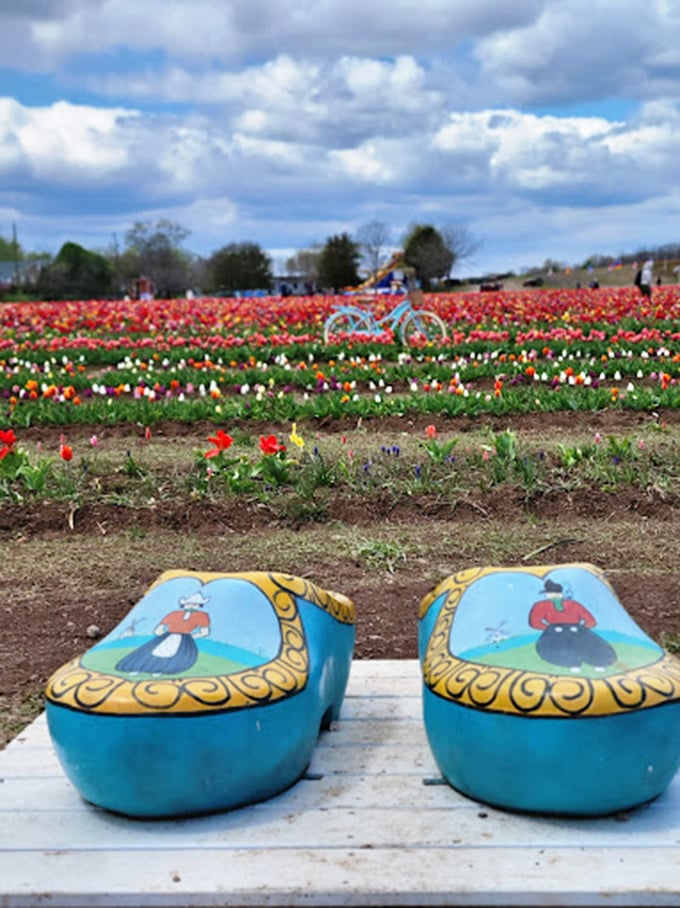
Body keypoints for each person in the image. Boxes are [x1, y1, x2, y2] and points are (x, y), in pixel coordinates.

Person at [529, 578, 616, 673]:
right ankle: (572, 663)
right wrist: (548, 628)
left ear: (561, 594)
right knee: (558, 645)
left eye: (557, 594)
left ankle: (598, 662)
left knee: (588, 644)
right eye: (551, 594)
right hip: (556, 630)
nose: (554, 596)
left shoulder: (573, 605)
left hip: (575, 628)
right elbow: (534, 621)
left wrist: (582, 628)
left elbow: (590, 620)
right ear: (547, 595)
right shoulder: (541, 605)